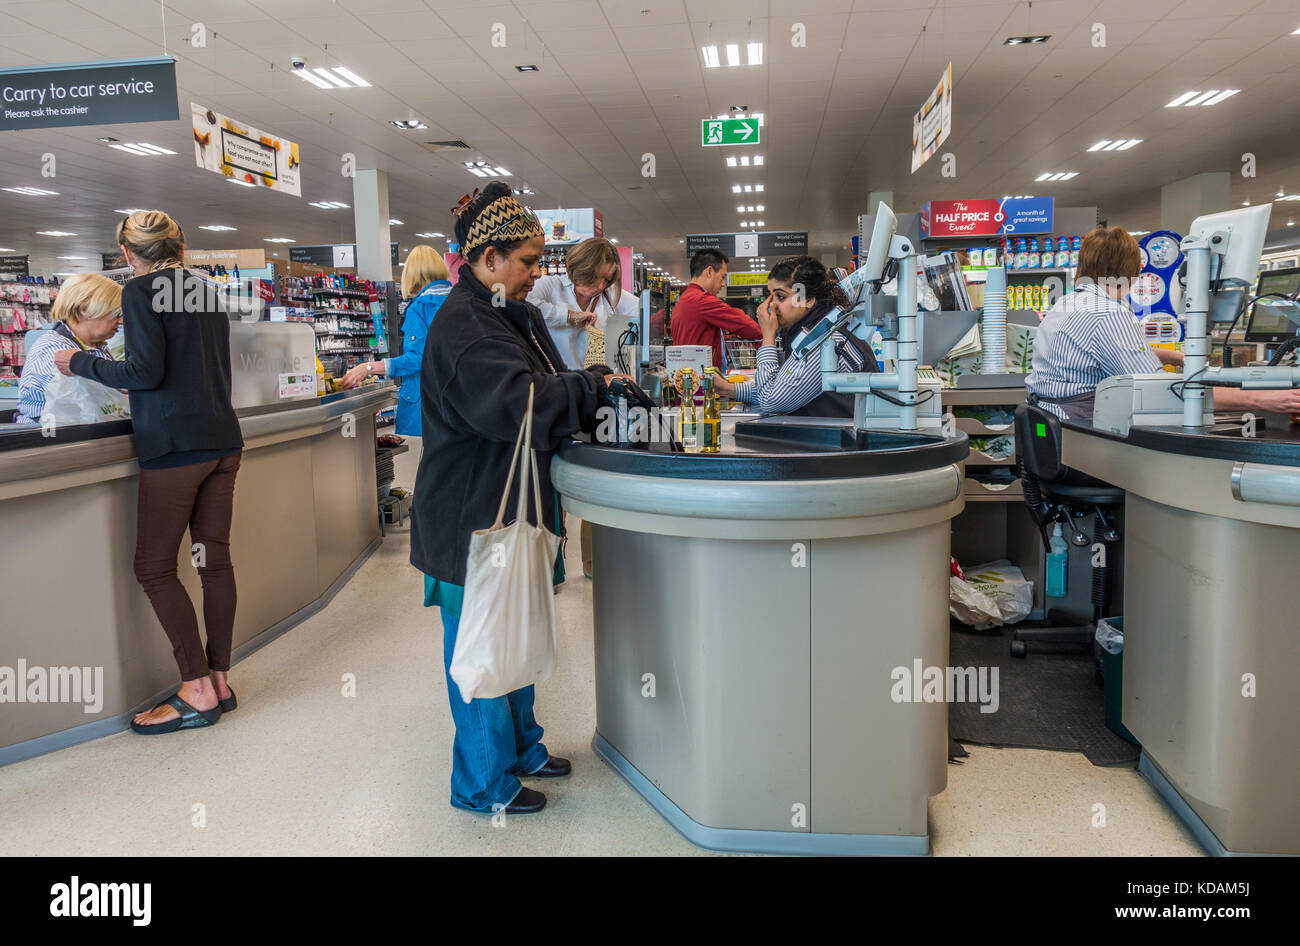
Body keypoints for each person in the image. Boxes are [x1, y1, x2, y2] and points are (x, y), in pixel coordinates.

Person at [410, 181, 629, 816]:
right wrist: (589, 388)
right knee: (482, 652)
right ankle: (481, 784)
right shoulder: (465, 328)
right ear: (487, 260)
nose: (540, 274)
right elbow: (520, 405)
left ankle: (524, 747)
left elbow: (544, 381)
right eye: (529, 261)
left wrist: (583, 384)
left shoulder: (513, 314)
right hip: (471, 521)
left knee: (518, 636)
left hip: (513, 511)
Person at [53, 210, 244, 734]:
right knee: (214, 562)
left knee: (155, 568)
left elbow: (144, 372)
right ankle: (220, 679)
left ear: (130, 255)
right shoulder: (205, 290)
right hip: (222, 443)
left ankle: (195, 688)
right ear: (180, 247)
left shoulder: (140, 292)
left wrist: (80, 363)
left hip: (175, 451)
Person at [1026, 226, 1300, 423]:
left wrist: (1174, 356)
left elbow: (1094, 354)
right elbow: (1161, 392)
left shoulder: (1067, 304)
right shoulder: (1108, 313)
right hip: (1086, 440)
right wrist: (1258, 400)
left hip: (1058, 433)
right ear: (1133, 270)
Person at [711, 255, 879, 416]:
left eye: (780, 297)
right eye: (771, 296)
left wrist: (768, 336)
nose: (771, 306)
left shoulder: (825, 342)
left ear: (808, 299)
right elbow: (783, 388)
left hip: (840, 442)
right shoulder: (818, 331)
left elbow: (771, 400)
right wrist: (727, 389)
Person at [340, 244, 451, 440]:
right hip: (454, 405)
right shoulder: (460, 303)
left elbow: (417, 360)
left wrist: (368, 367)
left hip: (423, 406)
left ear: (412, 275)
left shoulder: (420, 308)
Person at [14, 274, 121, 425]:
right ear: (85, 309)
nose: (121, 320)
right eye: (115, 313)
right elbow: (82, 405)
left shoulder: (96, 346)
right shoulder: (56, 350)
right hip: (50, 439)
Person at [528, 236, 639, 371]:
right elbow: (525, 304)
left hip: (596, 384)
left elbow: (642, 312)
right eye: (596, 277)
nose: (601, 286)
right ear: (581, 268)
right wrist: (569, 316)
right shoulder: (551, 286)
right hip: (557, 383)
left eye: (607, 280)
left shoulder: (609, 295)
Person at [670, 249, 762, 372]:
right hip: (704, 383)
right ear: (709, 272)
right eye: (722, 277)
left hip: (690, 378)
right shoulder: (702, 300)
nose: (723, 283)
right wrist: (765, 338)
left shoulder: (685, 299)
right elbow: (745, 324)